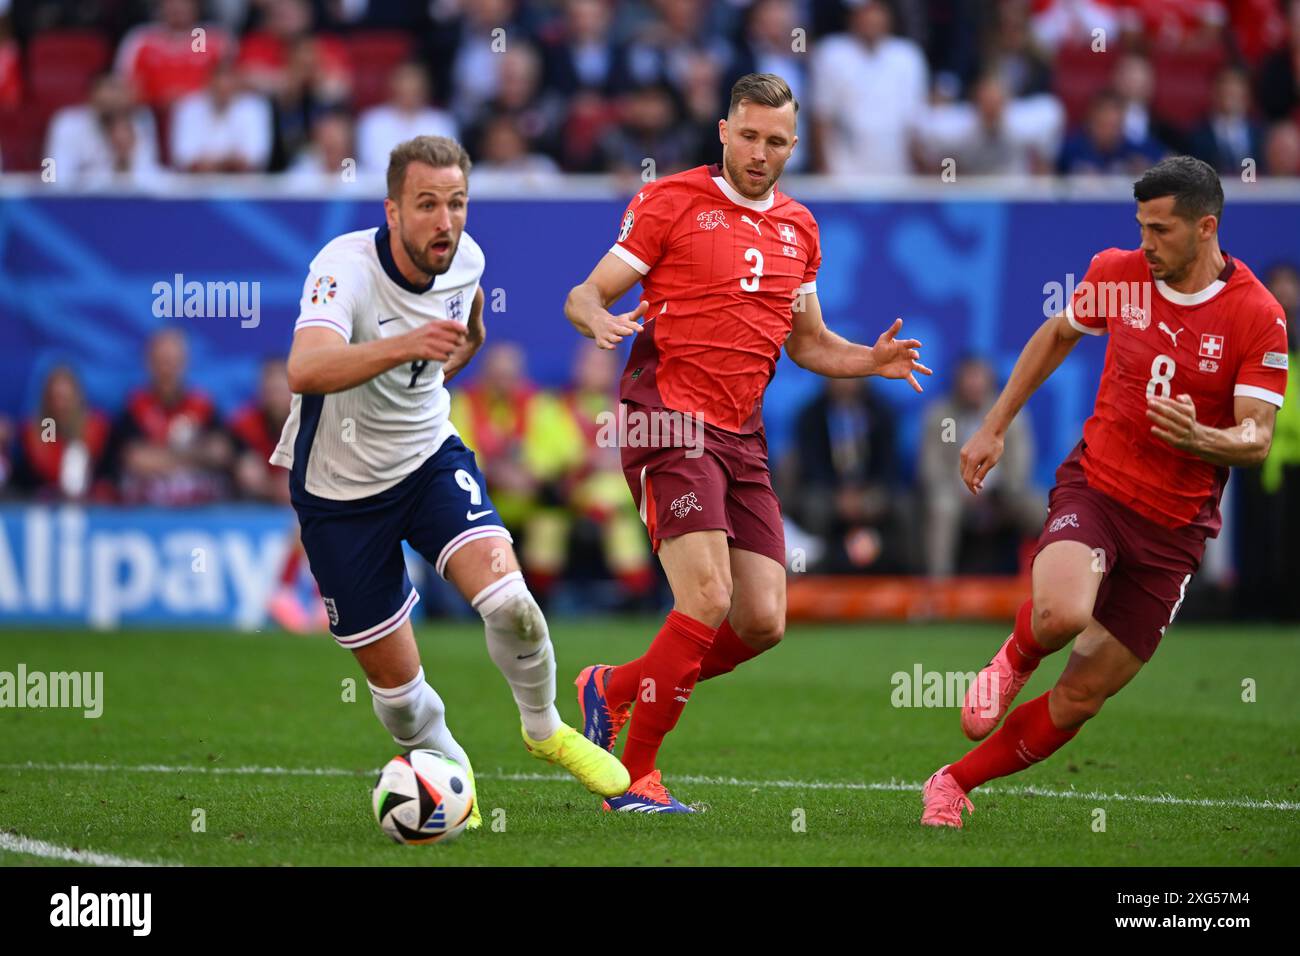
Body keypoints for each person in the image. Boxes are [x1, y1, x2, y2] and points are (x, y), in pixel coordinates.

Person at [564, 73, 931, 812]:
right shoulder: (670, 200)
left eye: (776, 141)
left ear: (793, 145)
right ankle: (632, 778)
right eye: (750, 135)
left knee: (761, 621)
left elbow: (811, 345)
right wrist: (594, 317)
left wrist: (869, 359)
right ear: (724, 132)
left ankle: (614, 686)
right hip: (667, 417)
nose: (760, 151)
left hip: (741, 434)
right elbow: (587, 292)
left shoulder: (801, 228)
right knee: (706, 596)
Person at [270, 135, 629, 829]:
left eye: (457, 203)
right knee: (401, 698)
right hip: (340, 496)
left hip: (429, 460)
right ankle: (448, 780)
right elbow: (305, 370)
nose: (445, 220)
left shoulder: (468, 261)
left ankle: (546, 728)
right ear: (393, 210)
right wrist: (409, 344)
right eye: (427, 204)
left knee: (514, 606)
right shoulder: (341, 268)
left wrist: (459, 352)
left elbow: (461, 338)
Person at [921, 156, 1289, 827]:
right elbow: (1056, 335)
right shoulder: (1117, 273)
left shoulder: (1257, 316)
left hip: (1174, 531)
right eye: (1141, 226)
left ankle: (952, 783)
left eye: (1162, 229)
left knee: (1082, 699)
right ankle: (1017, 654)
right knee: (1060, 613)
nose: (1147, 242)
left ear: (1207, 228)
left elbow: (1255, 438)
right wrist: (994, 427)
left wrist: (1202, 439)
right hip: (1099, 489)